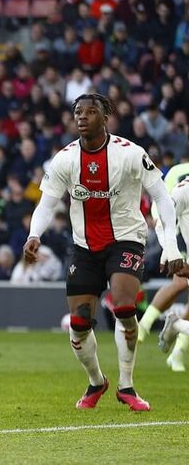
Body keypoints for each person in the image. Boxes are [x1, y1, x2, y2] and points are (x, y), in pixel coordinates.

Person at [23, 93, 185, 411]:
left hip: (126, 238)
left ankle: (127, 386)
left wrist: (170, 246)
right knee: (80, 322)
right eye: (77, 112)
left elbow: (162, 197)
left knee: (124, 307)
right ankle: (97, 381)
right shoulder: (65, 159)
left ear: (105, 116)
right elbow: (46, 203)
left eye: (90, 112)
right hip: (84, 247)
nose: (82, 117)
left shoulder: (130, 154)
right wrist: (34, 235)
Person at [137, 173, 189, 372]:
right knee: (178, 285)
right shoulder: (184, 189)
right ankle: (149, 326)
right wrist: (171, 251)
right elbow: (162, 218)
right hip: (181, 246)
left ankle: (177, 328)